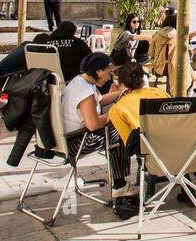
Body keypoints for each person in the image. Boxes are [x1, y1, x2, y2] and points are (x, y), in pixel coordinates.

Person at [57, 53, 133, 203]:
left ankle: (119, 181)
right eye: (108, 72)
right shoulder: (84, 92)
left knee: (116, 130)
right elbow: (93, 124)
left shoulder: (81, 82)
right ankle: (119, 183)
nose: (110, 77)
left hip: (66, 139)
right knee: (120, 132)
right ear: (98, 71)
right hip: (76, 142)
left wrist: (120, 94)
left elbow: (99, 101)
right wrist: (115, 112)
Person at [105, 60, 171, 151]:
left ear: (121, 82)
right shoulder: (160, 93)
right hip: (174, 144)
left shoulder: (118, 108)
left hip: (149, 151)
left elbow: (129, 144)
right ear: (143, 78)